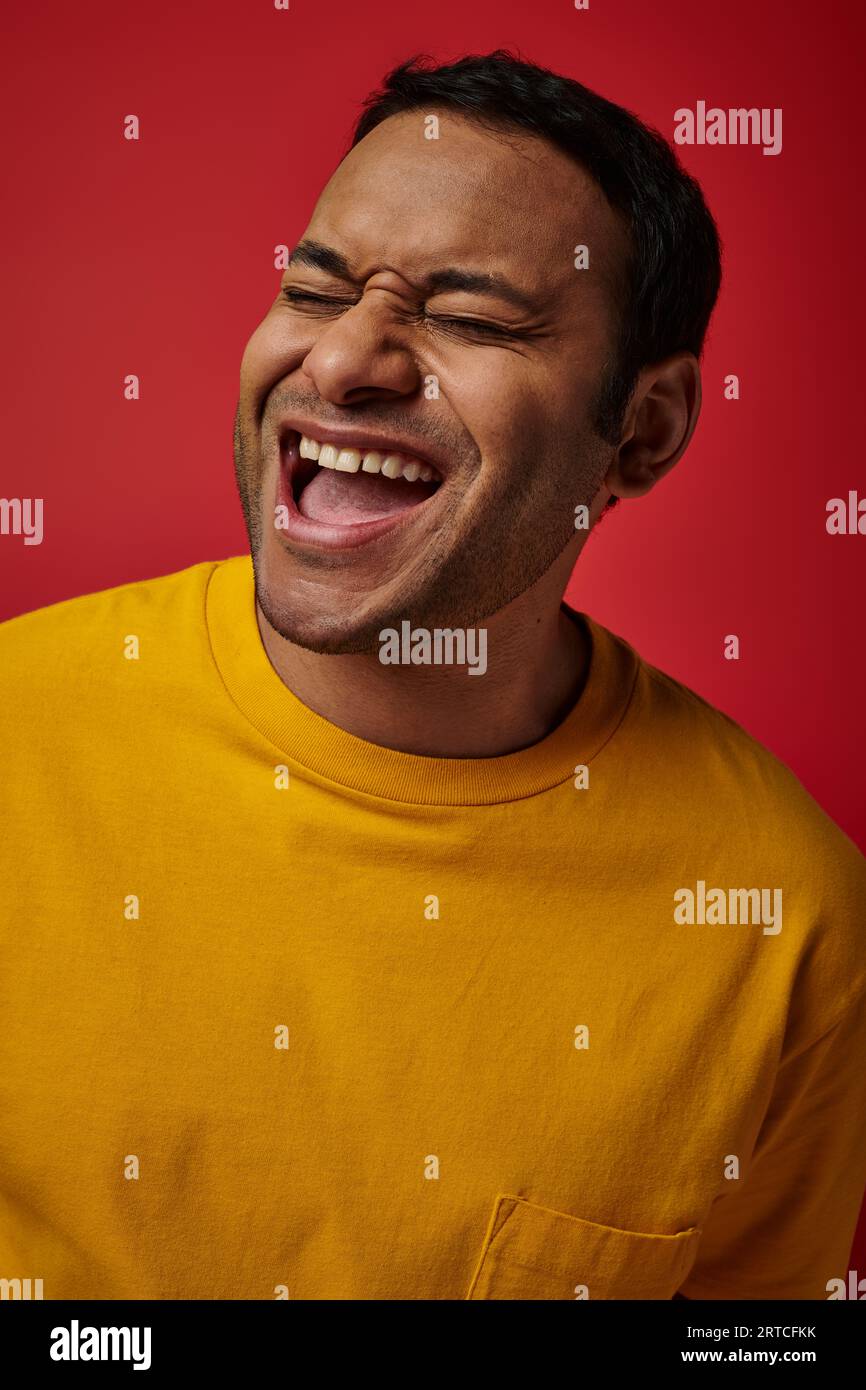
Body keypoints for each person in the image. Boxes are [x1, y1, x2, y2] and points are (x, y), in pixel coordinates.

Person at [1, 51, 864, 1302]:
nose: (347, 360)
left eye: (467, 319)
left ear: (641, 431)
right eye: (314, 286)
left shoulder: (790, 923)